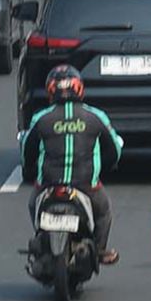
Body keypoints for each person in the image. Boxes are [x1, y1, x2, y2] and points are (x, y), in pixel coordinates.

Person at [21, 64, 122, 265]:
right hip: (86, 185)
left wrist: (30, 169)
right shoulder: (95, 116)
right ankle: (100, 251)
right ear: (79, 88)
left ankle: (42, 236)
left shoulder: (41, 118)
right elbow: (114, 151)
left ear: (50, 90)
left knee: (33, 204)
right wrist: (105, 167)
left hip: (48, 185)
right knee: (104, 212)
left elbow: (27, 152)